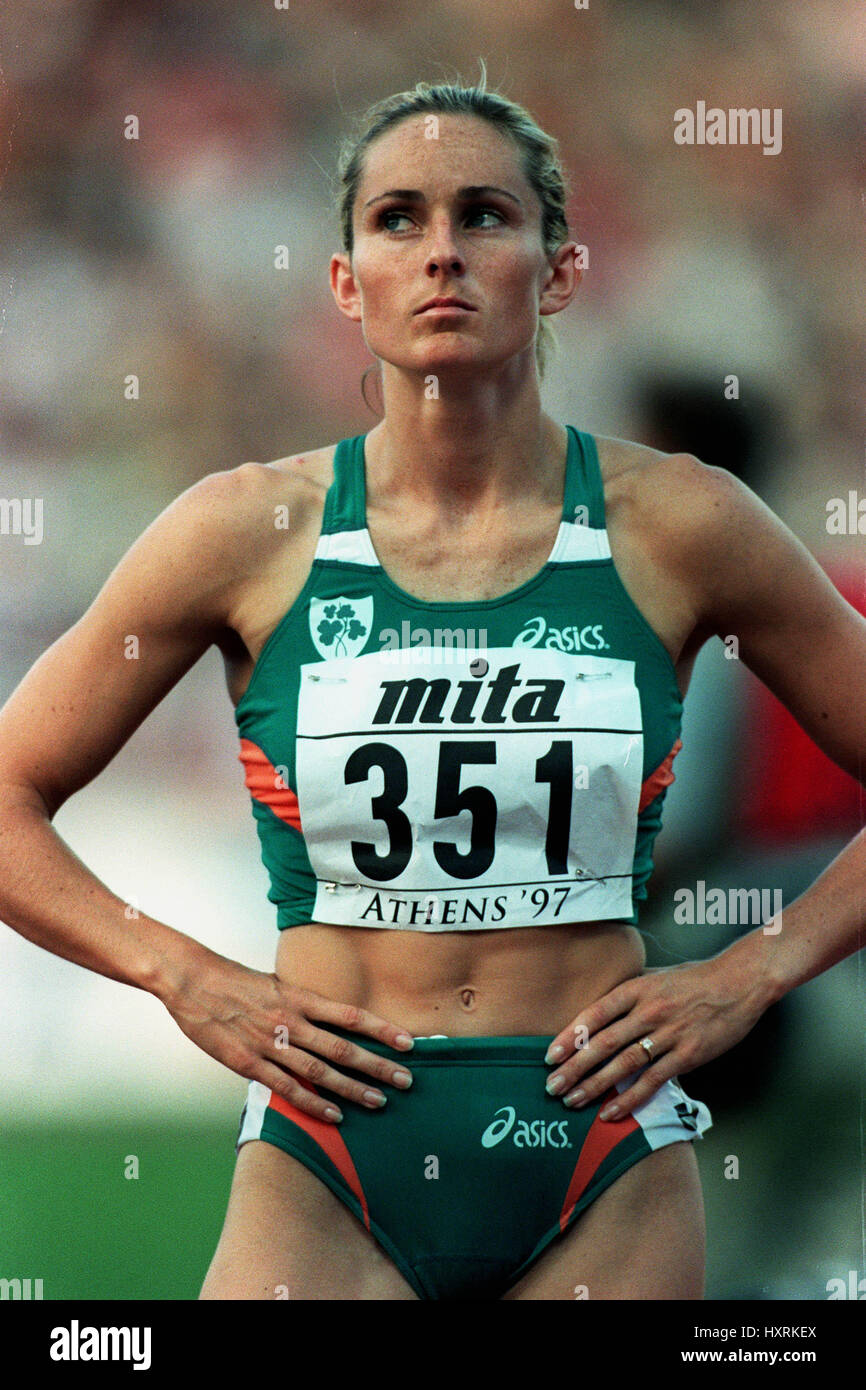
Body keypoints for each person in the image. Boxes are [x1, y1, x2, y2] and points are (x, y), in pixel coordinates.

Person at [1, 72, 864, 1303]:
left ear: (559, 269)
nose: (442, 253)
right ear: (346, 283)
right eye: (398, 219)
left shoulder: (681, 525)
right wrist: (182, 973)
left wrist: (750, 969)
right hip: (328, 1155)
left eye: (485, 216)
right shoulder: (245, 531)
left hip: (602, 1159)